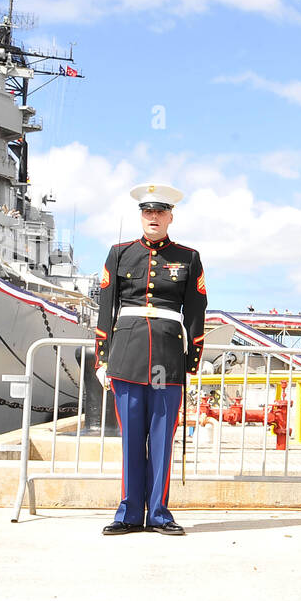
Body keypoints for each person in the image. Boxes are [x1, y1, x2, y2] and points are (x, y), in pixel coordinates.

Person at [96, 183, 207, 535]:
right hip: (127, 358)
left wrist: (192, 362)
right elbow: (105, 309)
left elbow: (196, 312)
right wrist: (102, 359)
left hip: (166, 359)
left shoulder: (188, 257)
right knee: (131, 438)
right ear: (141, 216)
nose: (154, 217)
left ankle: (158, 513)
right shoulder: (119, 253)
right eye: (148, 211)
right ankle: (128, 513)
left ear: (171, 216)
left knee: (161, 438)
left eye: (160, 211)